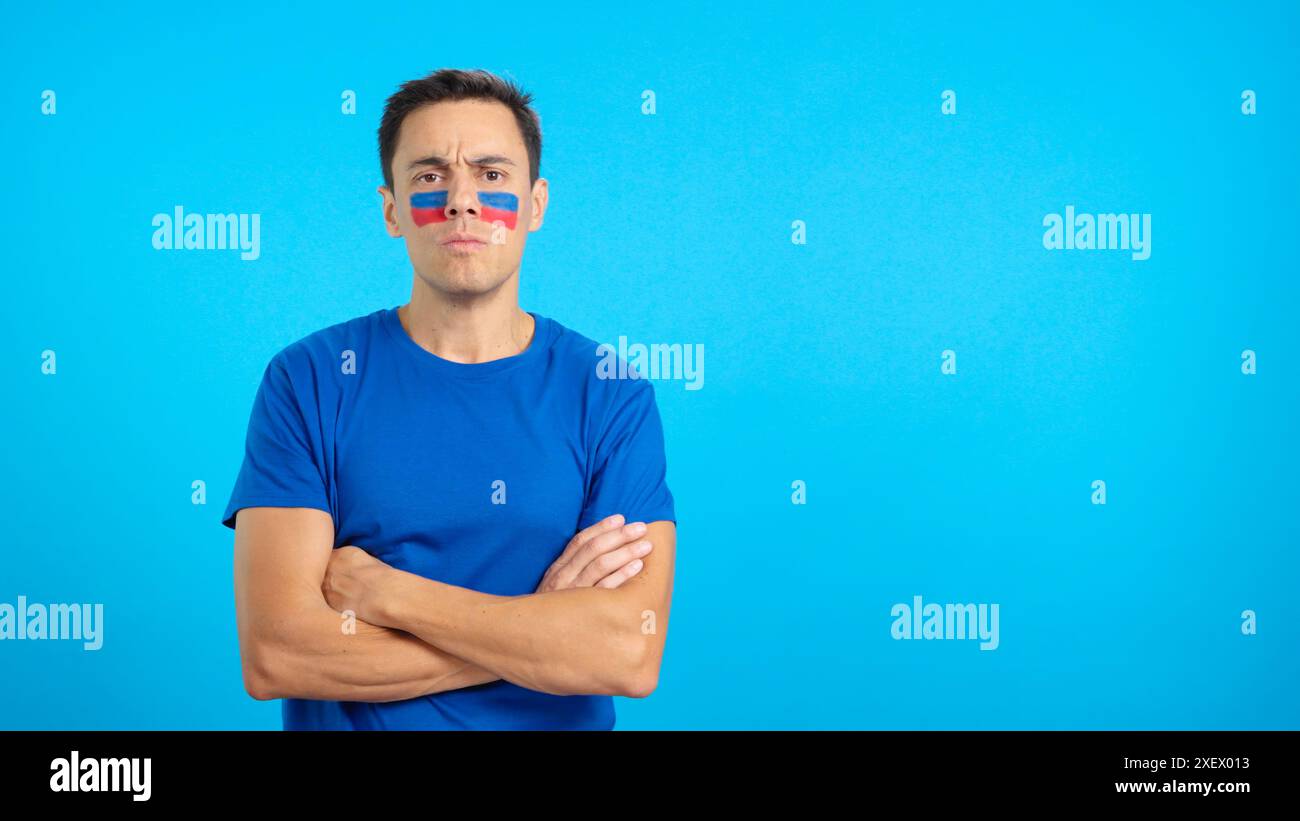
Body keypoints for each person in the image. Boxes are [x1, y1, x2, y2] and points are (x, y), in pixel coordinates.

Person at [221, 68, 677, 730]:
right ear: (392, 210)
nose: (463, 200)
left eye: (492, 175)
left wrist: (390, 594)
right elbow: (278, 653)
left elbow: (628, 652)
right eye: (430, 176)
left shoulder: (610, 392)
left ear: (537, 203)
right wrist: (542, 622)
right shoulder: (309, 380)